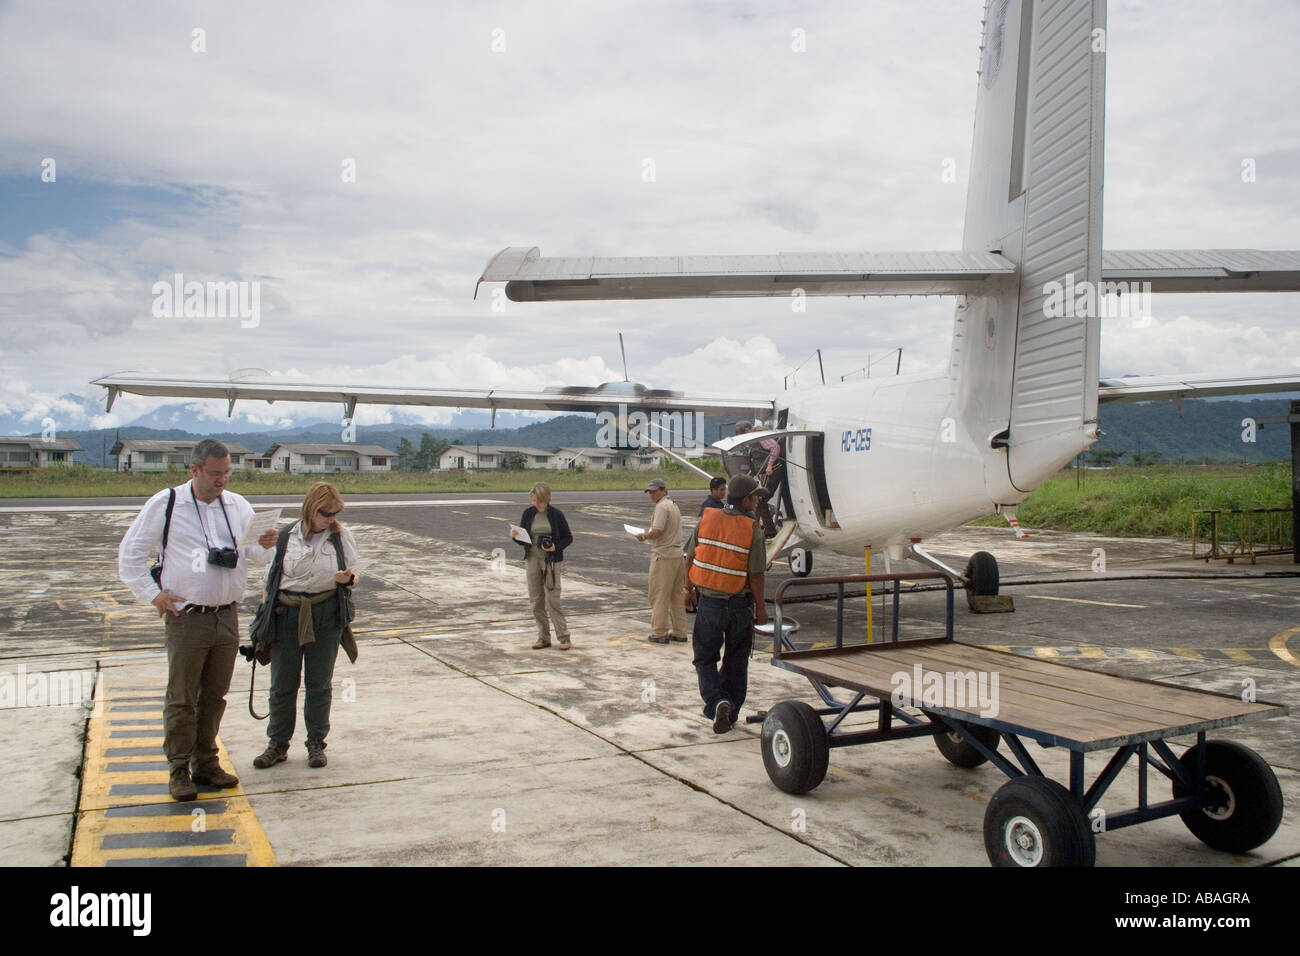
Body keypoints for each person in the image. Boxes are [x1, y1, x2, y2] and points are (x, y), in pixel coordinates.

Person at [118, 438, 277, 801]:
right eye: (215, 474)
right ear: (194, 470)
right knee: (182, 697)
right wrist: (153, 594)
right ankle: (178, 768)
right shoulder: (167, 503)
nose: (222, 480)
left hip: (226, 616)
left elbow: (254, 554)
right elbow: (129, 555)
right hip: (187, 616)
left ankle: (206, 763)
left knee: (215, 696)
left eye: (227, 473)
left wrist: (265, 544)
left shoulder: (236, 505)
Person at [253, 482, 360, 771]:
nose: (330, 518)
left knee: (319, 684)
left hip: (326, 615)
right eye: (325, 513)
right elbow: (270, 579)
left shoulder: (340, 537)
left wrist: (346, 581)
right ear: (310, 509)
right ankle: (277, 744)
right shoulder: (286, 536)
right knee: (282, 685)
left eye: (335, 513)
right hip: (286, 614)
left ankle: (316, 743)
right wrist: (264, 620)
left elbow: (354, 576)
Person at [683, 473, 768, 734]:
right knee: (736, 661)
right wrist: (762, 610)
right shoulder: (753, 529)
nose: (757, 502)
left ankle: (717, 701)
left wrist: (688, 588)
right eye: (755, 497)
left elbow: (689, 556)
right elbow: (756, 575)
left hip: (709, 604)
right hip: (740, 607)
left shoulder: (706, 520)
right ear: (745, 500)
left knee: (705, 658)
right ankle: (729, 710)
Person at [510, 482, 574, 649]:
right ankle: (543, 637)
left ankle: (564, 637)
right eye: (533, 501)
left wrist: (555, 547)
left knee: (553, 600)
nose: (536, 504)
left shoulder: (556, 515)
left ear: (547, 499)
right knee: (536, 600)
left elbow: (568, 537)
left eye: (539, 501)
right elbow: (523, 539)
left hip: (551, 562)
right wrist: (515, 536)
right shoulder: (528, 513)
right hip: (532, 559)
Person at [636, 478, 686, 644]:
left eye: (654, 491)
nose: (651, 494)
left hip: (664, 555)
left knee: (659, 595)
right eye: (650, 492)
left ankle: (659, 631)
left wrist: (644, 535)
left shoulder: (662, 507)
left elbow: (657, 532)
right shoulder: (673, 505)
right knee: (676, 595)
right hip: (677, 555)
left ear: (664, 490)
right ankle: (680, 631)